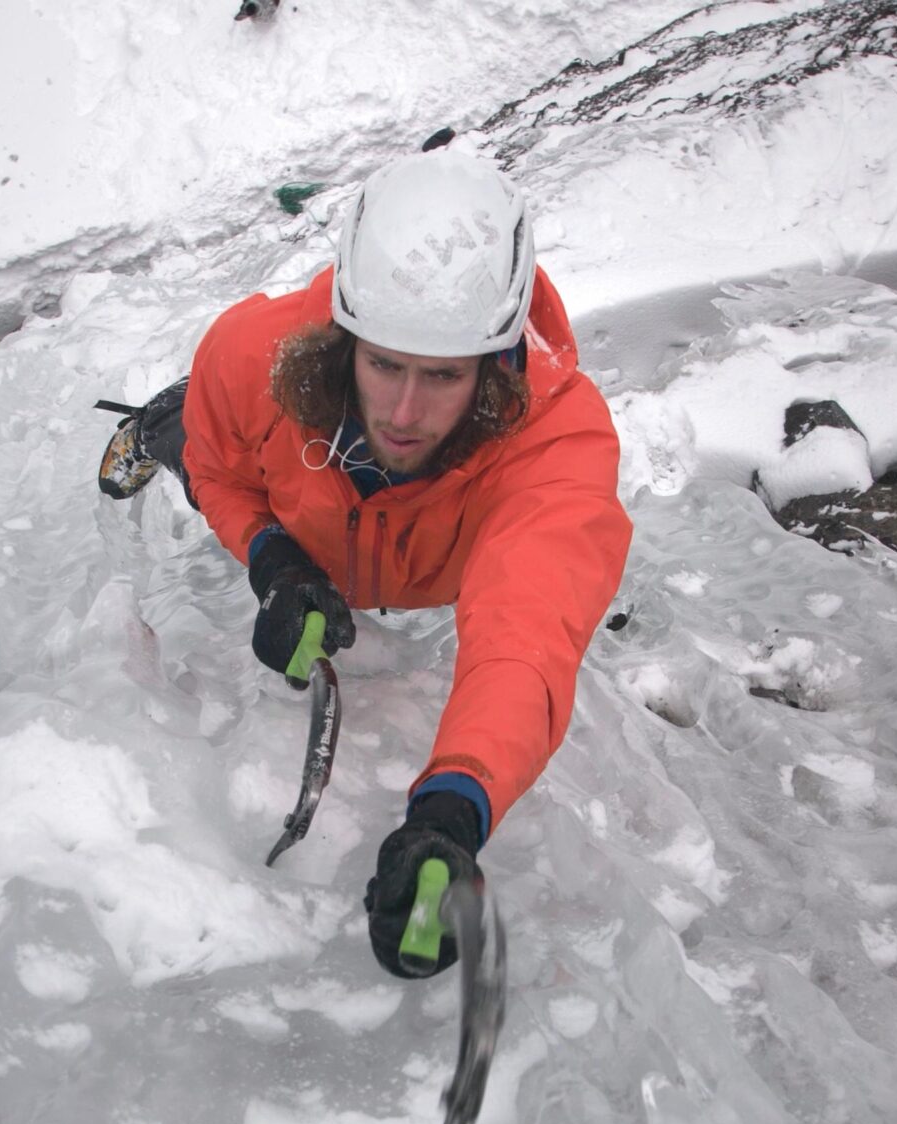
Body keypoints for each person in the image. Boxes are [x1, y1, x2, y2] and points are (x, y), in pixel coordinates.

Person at [101, 148, 630, 979]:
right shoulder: (251, 355)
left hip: (415, 554)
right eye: (382, 364)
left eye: (443, 376)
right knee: (196, 453)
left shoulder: (556, 446)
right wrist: (275, 562)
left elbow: (525, 638)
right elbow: (225, 474)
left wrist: (454, 809)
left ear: (494, 364)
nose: (406, 414)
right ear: (346, 336)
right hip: (306, 511)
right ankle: (155, 421)